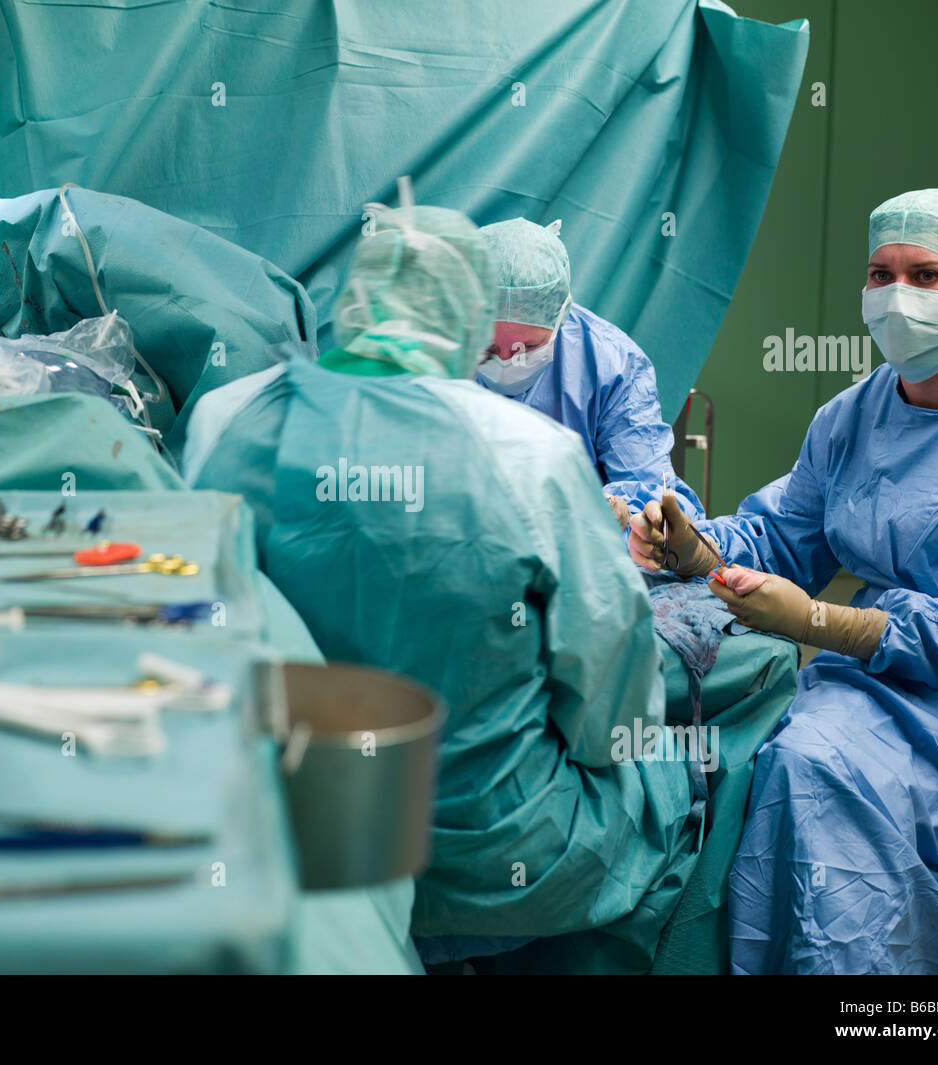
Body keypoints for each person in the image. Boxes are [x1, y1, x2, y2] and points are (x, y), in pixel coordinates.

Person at [183, 192, 698, 967]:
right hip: (496, 855)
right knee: (674, 760)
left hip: (296, 823)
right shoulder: (534, 457)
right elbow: (609, 714)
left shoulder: (226, 419)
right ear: (471, 319)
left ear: (350, 298)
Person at [628, 188, 938, 974]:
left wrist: (818, 624)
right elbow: (780, 535)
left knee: (808, 768)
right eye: (881, 272)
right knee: (743, 762)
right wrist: (689, 544)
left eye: (927, 274)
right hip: (863, 681)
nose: (897, 294)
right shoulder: (852, 414)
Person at [475, 217, 701, 526]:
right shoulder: (428, 351)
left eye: (528, 348)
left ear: (559, 318)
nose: (506, 362)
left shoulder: (613, 364)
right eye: (487, 348)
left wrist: (623, 514)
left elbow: (651, 489)